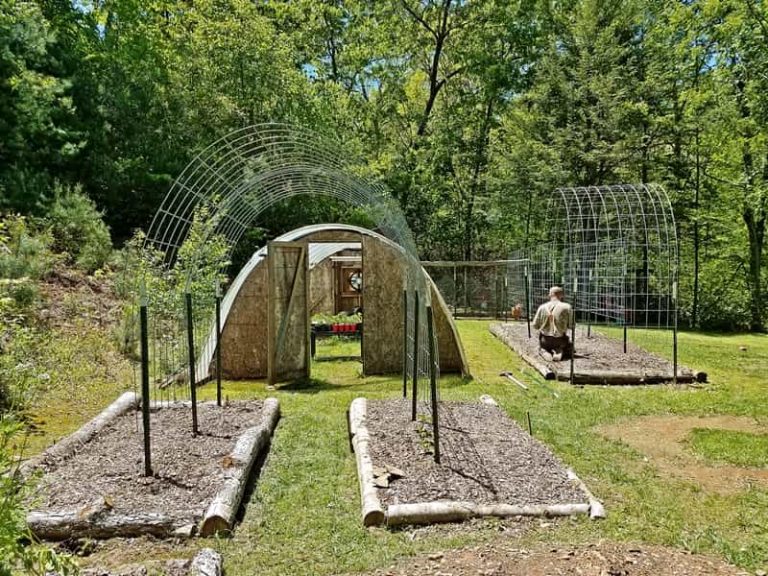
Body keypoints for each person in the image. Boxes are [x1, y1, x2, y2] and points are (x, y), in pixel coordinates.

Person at [532, 286, 573, 361]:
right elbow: (571, 326)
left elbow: (535, 325)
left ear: (550, 295)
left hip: (545, 339)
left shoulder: (542, 307)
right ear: (561, 295)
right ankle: (558, 351)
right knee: (567, 344)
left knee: (543, 347)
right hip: (560, 340)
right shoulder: (567, 307)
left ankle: (545, 352)